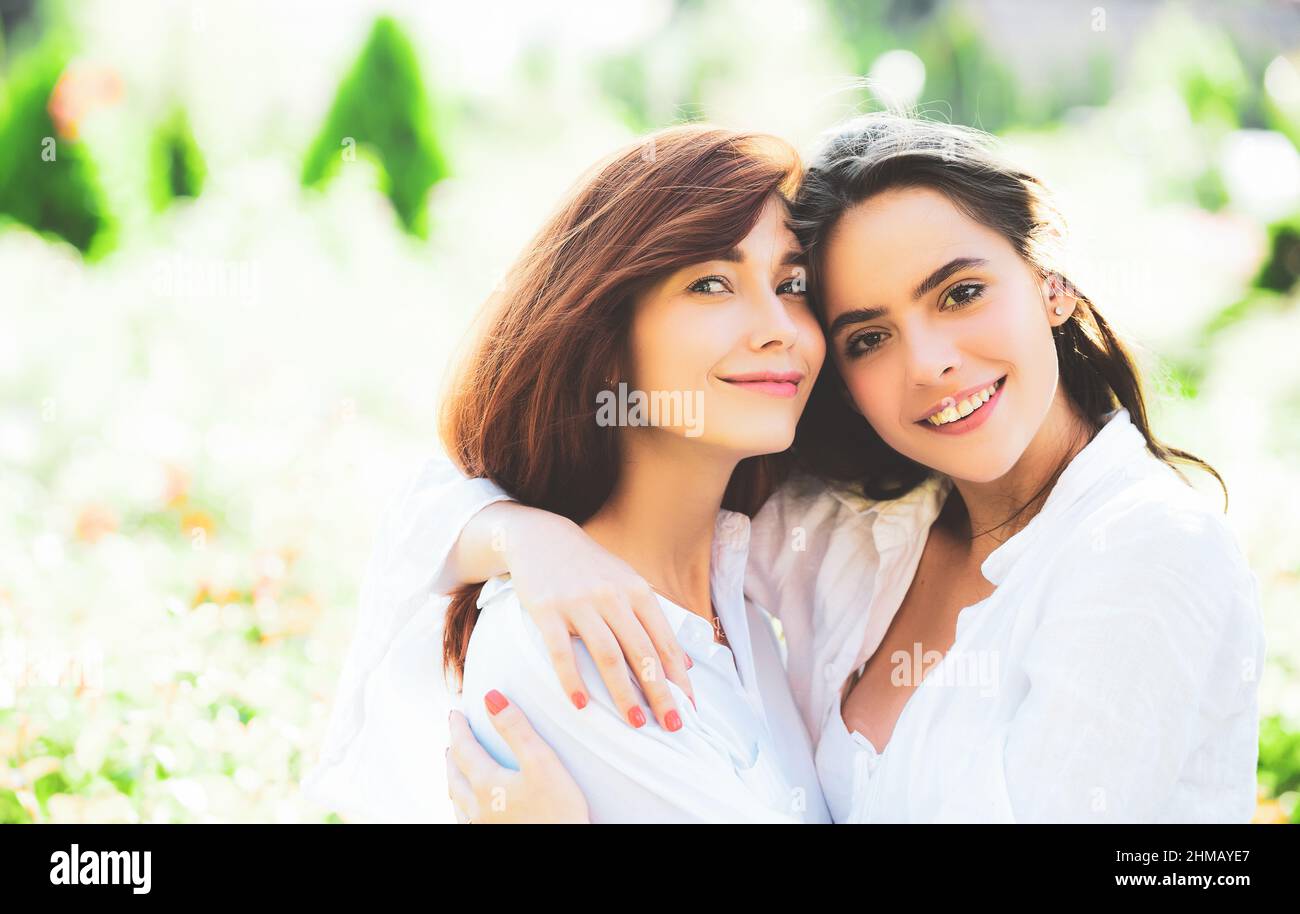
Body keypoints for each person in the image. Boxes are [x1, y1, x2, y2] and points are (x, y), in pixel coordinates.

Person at [408, 113, 1266, 823]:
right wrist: (521, 537)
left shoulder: (1146, 551)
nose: (929, 363)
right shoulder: (857, 533)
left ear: (1050, 281)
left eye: (960, 292)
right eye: (868, 336)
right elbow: (445, 510)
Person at [304, 124, 833, 823]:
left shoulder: (747, 616)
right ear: (607, 343)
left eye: (790, 283)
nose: (780, 327)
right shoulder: (560, 645)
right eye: (711, 284)